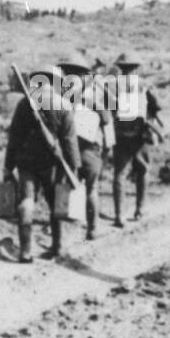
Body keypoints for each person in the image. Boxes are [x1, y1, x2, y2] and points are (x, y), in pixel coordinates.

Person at [4, 66, 79, 261]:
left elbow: (14, 139)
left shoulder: (24, 104)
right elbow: (70, 142)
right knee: (57, 203)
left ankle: (25, 251)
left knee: (26, 203)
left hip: (26, 164)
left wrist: (8, 166)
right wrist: (74, 168)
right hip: (52, 164)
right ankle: (57, 247)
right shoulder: (63, 105)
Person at [58, 53, 111, 240]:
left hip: (67, 148)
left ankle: (63, 231)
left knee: (66, 186)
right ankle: (92, 229)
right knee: (92, 188)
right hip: (90, 148)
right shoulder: (93, 93)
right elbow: (106, 120)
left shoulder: (60, 93)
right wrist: (108, 146)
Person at [110, 53, 162, 225]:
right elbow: (158, 105)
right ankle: (140, 209)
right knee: (143, 170)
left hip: (120, 134)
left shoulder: (112, 84)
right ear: (136, 67)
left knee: (120, 173)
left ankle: (119, 215)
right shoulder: (143, 84)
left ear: (120, 67)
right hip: (140, 134)